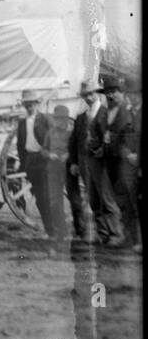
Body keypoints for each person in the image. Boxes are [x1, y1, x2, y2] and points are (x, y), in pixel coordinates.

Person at [88, 75, 141, 252]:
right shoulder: (107, 113)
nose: (111, 96)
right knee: (117, 201)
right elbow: (106, 136)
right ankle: (124, 237)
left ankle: (132, 239)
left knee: (128, 200)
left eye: (115, 92)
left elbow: (129, 138)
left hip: (125, 163)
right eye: (108, 93)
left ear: (122, 93)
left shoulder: (127, 112)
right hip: (110, 162)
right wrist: (102, 147)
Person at [68, 80, 113, 244]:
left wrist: (103, 151)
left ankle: (113, 234)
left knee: (106, 199)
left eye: (91, 94)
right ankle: (102, 234)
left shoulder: (106, 114)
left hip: (100, 164)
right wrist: (74, 162)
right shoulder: (81, 117)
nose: (88, 97)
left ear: (97, 94)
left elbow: (109, 140)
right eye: (85, 95)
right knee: (93, 200)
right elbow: (73, 142)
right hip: (84, 162)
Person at [16, 90, 52, 237]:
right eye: (27, 105)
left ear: (37, 104)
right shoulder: (22, 123)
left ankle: (54, 231)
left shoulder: (46, 120)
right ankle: (50, 231)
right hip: (31, 161)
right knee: (39, 199)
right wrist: (24, 163)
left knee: (47, 197)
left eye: (31, 105)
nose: (29, 108)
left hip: (44, 160)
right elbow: (20, 145)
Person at [41, 105, 72, 252]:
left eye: (62, 118)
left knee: (74, 200)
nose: (60, 121)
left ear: (67, 119)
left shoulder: (72, 133)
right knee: (54, 202)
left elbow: (77, 149)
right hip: (52, 170)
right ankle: (61, 231)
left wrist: (69, 155)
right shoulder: (50, 133)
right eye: (57, 118)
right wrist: (49, 155)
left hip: (68, 171)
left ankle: (78, 230)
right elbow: (43, 149)